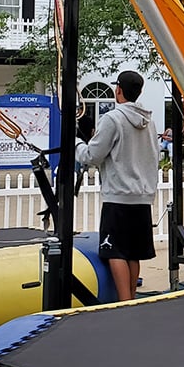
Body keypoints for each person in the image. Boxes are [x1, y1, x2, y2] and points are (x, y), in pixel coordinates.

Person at [74, 70, 159, 301]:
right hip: (142, 196)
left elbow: (93, 155)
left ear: (118, 90)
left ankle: (124, 301)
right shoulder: (149, 121)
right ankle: (130, 296)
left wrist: (77, 145)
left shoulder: (112, 118)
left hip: (119, 195)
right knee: (133, 253)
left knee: (115, 251)